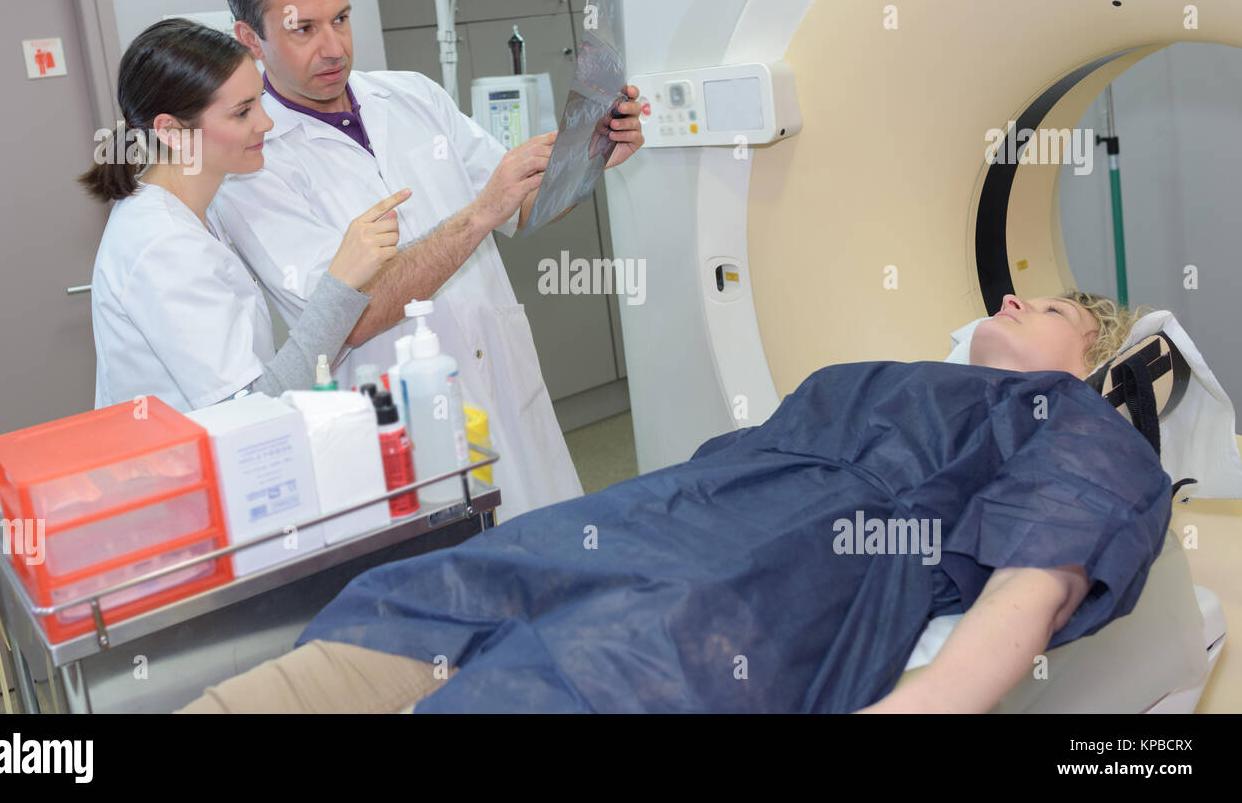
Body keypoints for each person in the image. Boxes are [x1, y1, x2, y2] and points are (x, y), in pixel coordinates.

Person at [181, 290, 1171, 713]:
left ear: (1093, 366)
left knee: (573, 673)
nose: (1007, 302)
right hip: (619, 530)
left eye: (1045, 311)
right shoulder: (884, 377)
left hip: (739, 594)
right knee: (415, 604)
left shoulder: (1070, 427)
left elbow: (1027, 595)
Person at [212, 0, 645, 519]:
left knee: (560, 552)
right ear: (250, 39)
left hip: (504, 388)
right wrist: (480, 213)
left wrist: (590, 156)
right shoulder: (252, 166)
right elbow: (347, 317)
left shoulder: (411, 95)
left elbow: (520, 207)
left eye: (341, 18)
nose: (334, 46)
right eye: (303, 29)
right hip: (404, 434)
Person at [81, 18, 411, 412]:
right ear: (171, 130)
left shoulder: (191, 211)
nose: (266, 123)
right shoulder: (163, 245)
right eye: (242, 113)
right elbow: (250, 406)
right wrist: (340, 283)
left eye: (259, 101)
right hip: (180, 466)